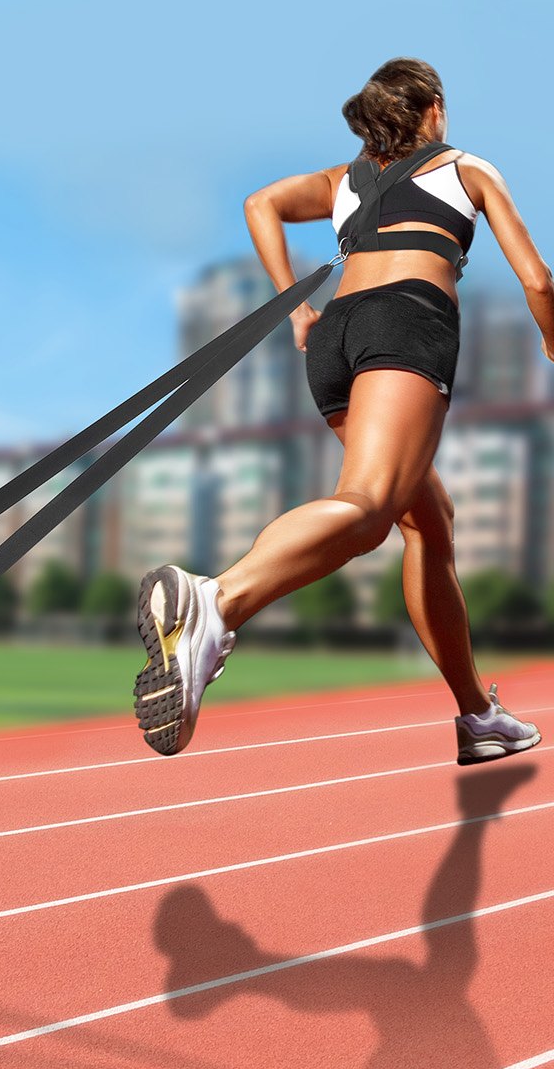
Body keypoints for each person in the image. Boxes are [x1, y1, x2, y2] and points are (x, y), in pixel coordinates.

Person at [134, 59, 549, 764]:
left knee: (428, 522)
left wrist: (296, 307)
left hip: (336, 339)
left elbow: (260, 203)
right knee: (367, 505)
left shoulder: (341, 182)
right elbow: (538, 279)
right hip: (405, 323)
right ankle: (218, 602)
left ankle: (478, 716)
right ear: (434, 109)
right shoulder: (468, 169)